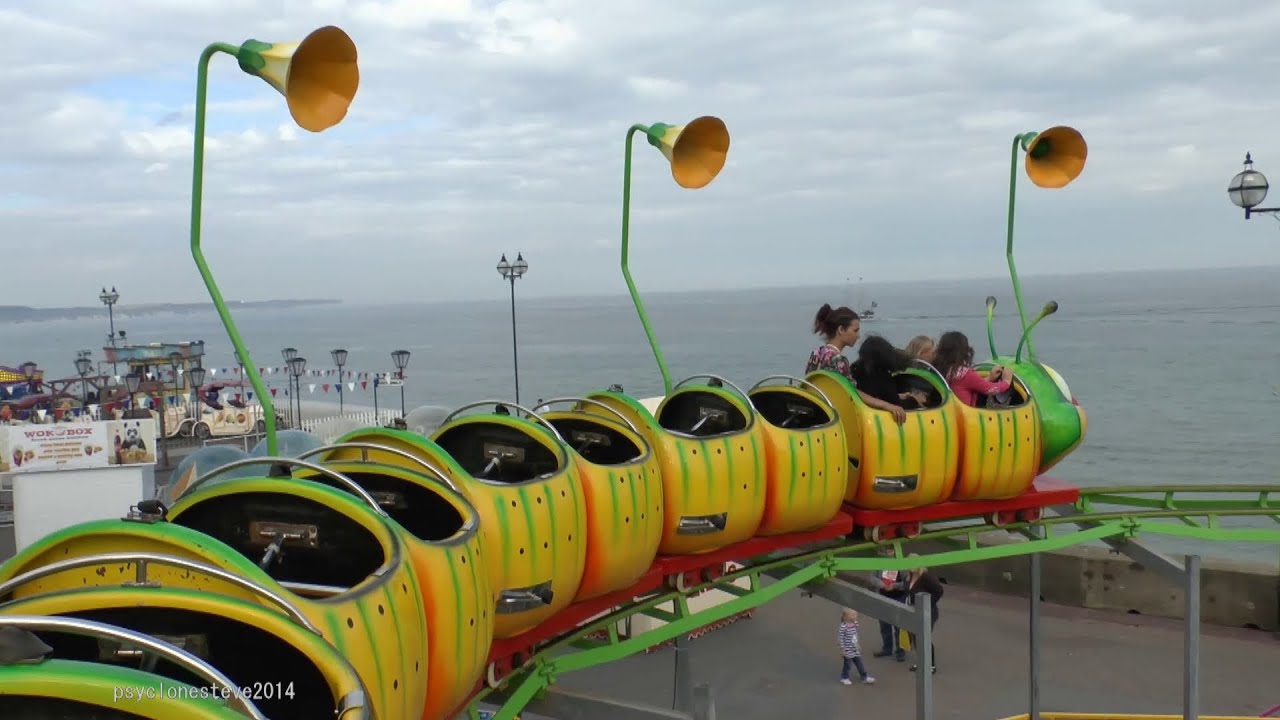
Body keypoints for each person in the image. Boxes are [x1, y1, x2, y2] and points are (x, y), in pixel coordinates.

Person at [806, 304, 907, 424]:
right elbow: (854, 393)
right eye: (855, 330)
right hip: (836, 419)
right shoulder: (839, 360)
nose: (858, 336)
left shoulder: (816, 353)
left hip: (818, 412)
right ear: (841, 330)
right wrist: (887, 405)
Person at [932, 330, 1012, 407]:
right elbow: (990, 389)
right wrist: (1006, 381)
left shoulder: (940, 370)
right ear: (965, 352)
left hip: (948, 410)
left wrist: (989, 378)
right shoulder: (965, 374)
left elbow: (971, 384)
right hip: (965, 412)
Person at [851, 335, 925, 410]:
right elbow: (896, 406)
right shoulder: (882, 376)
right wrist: (914, 400)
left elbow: (876, 396)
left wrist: (899, 396)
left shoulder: (855, 371)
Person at [905, 560, 944, 674]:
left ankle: (931, 665)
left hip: (928, 612)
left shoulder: (926, 577)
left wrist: (928, 603)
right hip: (914, 611)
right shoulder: (909, 577)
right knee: (916, 638)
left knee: (925, 638)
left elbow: (939, 590)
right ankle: (921, 661)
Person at [837, 608, 875, 685]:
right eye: (853, 615)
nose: (855, 616)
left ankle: (864, 677)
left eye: (856, 614)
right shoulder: (843, 627)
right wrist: (842, 649)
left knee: (860, 663)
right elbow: (840, 638)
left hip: (855, 648)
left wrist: (857, 645)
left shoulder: (855, 623)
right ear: (846, 617)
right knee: (848, 665)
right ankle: (844, 677)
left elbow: (855, 636)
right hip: (847, 649)